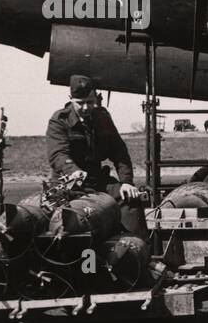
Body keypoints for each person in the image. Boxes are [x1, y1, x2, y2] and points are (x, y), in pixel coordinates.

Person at [46, 74, 144, 234]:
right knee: (68, 219)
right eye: (80, 103)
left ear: (96, 98)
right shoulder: (59, 121)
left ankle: (135, 251)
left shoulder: (102, 117)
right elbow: (58, 154)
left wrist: (126, 182)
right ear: (70, 99)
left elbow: (119, 151)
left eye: (90, 102)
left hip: (97, 180)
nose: (85, 108)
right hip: (68, 184)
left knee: (130, 199)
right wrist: (73, 172)